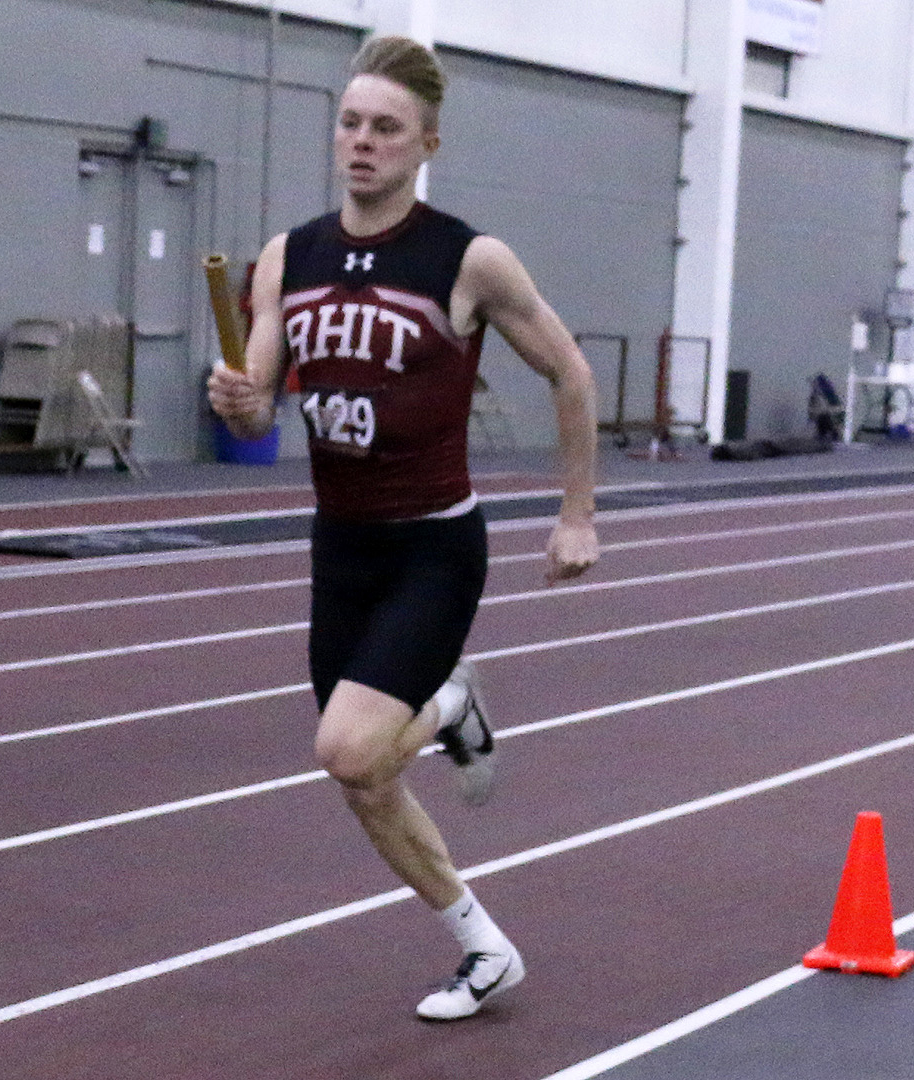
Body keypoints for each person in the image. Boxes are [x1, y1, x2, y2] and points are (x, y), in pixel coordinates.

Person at [206, 35, 599, 1021]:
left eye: (385, 128)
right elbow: (257, 411)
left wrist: (576, 515)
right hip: (341, 545)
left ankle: (449, 701)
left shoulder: (468, 259)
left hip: (433, 546)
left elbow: (571, 372)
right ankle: (485, 946)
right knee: (368, 778)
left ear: (426, 143)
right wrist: (238, 401)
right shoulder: (289, 257)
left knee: (344, 748)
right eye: (350, 123)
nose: (362, 142)